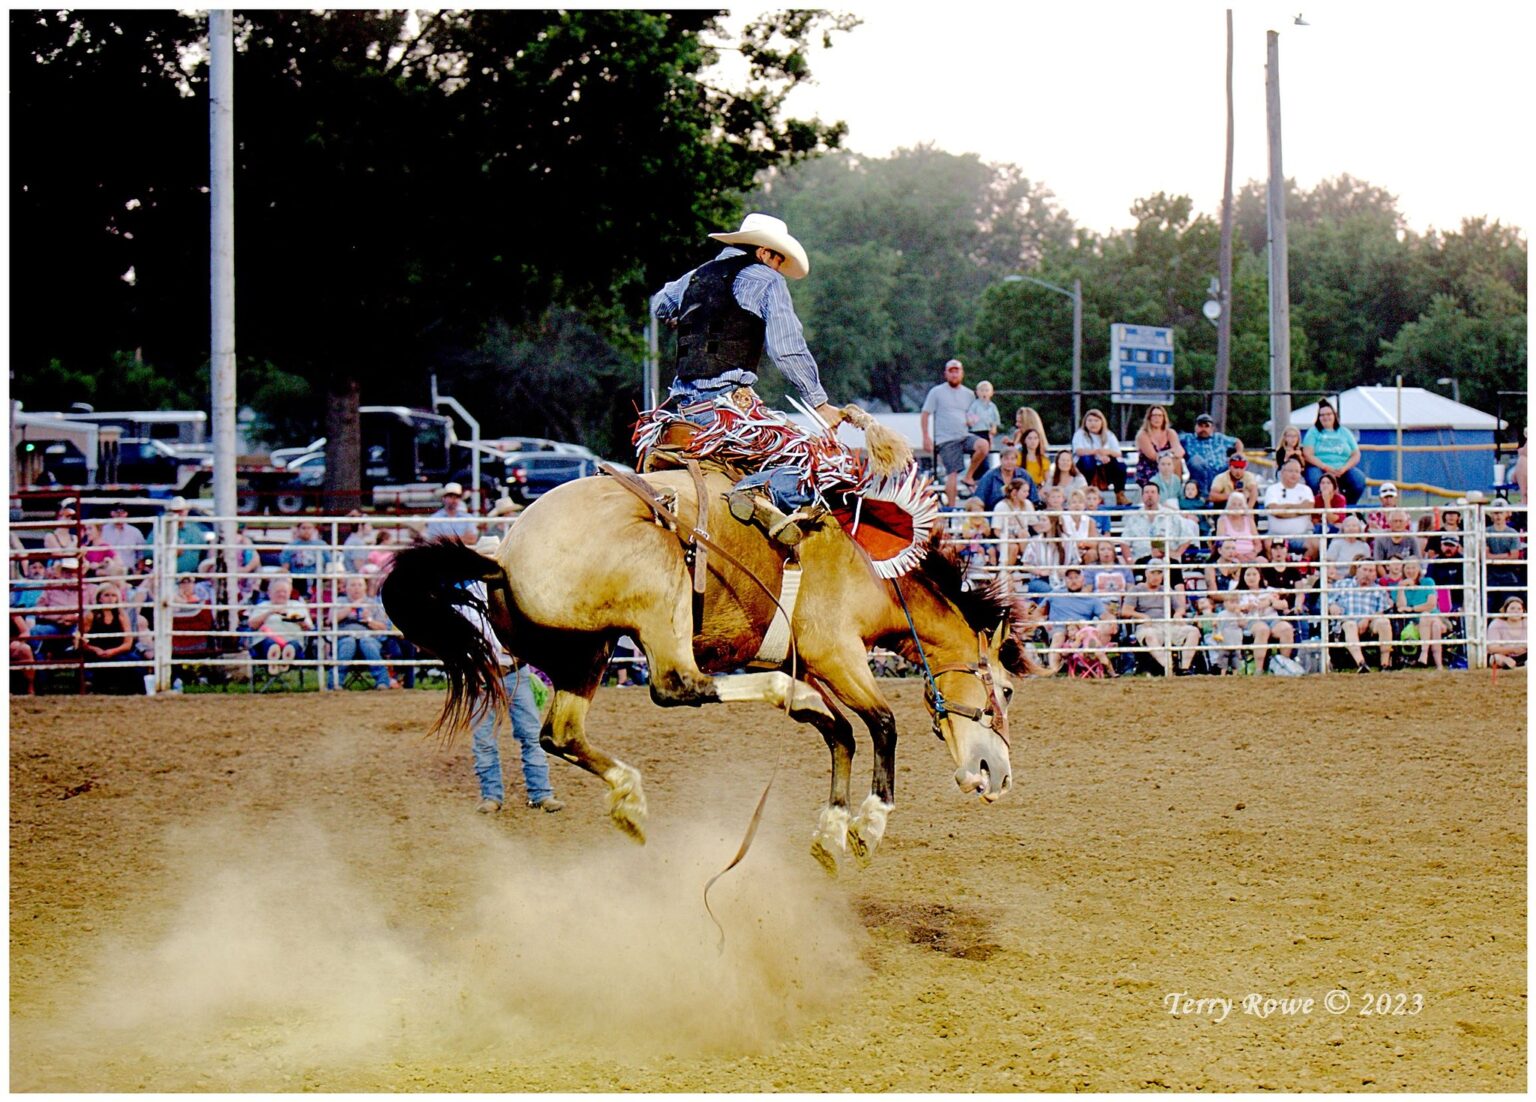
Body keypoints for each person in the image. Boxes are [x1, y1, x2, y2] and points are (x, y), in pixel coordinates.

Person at [639, 212, 856, 544]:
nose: (778, 269)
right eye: (778, 260)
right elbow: (787, 349)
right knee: (823, 464)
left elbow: (660, 304)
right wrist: (820, 404)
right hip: (723, 414)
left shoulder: (696, 276)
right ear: (765, 252)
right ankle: (756, 491)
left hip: (679, 411)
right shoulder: (767, 280)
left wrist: (684, 317)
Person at [457, 550, 564, 813]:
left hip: (514, 672)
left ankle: (539, 794)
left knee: (530, 735)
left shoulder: (515, 593)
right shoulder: (466, 599)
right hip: (486, 675)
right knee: (486, 740)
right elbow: (458, 640)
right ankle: (496, 796)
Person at [921, 359, 987, 506]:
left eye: (957, 371)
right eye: (951, 371)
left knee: (983, 445)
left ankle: (969, 476)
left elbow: (974, 415)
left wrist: (975, 420)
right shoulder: (936, 392)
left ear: (962, 373)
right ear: (946, 374)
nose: (954, 374)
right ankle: (951, 509)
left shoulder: (969, 394)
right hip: (946, 439)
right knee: (952, 473)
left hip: (964, 435)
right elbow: (925, 414)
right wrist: (926, 437)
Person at [1120, 559, 1198, 674]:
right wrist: (1142, 616)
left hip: (1167, 624)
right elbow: (1125, 611)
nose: (1156, 576)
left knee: (1193, 631)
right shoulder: (1136, 590)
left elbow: (1180, 607)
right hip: (1148, 626)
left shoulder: (1166, 590)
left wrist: (1177, 614)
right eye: (1153, 573)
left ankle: (1184, 668)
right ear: (1146, 573)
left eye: (1159, 573)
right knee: (1150, 635)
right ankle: (1169, 667)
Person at [329, 574, 397, 689]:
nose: (356, 588)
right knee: (348, 643)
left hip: (369, 638)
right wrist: (351, 607)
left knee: (367, 643)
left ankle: (382, 682)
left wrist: (369, 620)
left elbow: (383, 627)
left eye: (359, 585)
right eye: (353, 585)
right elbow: (331, 620)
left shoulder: (373, 603)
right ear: (346, 588)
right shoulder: (339, 601)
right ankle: (335, 683)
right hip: (344, 638)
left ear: (365, 587)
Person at [1038, 566, 1108, 675]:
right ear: (1065, 580)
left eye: (1076, 577)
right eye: (1070, 578)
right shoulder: (1054, 595)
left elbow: (1105, 616)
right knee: (1059, 635)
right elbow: (1038, 612)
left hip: (1081, 630)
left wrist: (1109, 622)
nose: (1073, 581)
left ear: (1083, 579)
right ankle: (1053, 670)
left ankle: (1095, 662)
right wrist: (1042, 621)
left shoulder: (1091, 599)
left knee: (1091, 632)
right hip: (1059, 628)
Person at [77, 578, 142, 693]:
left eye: (113, 595)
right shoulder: (91, 615)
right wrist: (96, 650)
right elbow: (81, 640)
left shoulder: (121, 615)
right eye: (106, 595)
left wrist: (113, 651)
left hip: (117, 650)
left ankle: (133, 692)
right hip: (95, 652)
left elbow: (128, 643)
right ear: (99, 598)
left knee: (132, 660)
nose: (110, 599)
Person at [1329, 560, 1395, 671]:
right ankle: (1361, 663)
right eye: (1364, 570)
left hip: (1370, 623)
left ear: (1375, 574)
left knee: (1384, 622)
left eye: (1371, 571)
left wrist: (1367, 619)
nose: (1367, 573)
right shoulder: (1342, 584)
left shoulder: (1379, 590)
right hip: (1347, 623)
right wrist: (1333, 606)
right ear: (1357, 570)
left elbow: (1381, 611)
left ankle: (1385, 664)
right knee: (1350, 625)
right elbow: (1329, 602)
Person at [1301, 398, 1366, 503]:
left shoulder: (1344, 431)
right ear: (1318, 417)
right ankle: (1320, 506)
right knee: (1314, 481)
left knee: (1359, 480)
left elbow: (1356, 454)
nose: (1325, 417)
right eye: (1322, 415)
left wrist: (1344, 468)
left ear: (1334, 415)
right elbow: (1308, 454)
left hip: (1342, 468)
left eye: (1328, 414)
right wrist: (1325, 467)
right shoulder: (1313, 432)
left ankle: (1346, 506)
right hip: (1320, 467)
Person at [1396, 558, 1448, 669]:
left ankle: (1424, 654)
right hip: (1415, 623)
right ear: (1403, 570)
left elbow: (1431, 604)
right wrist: (1401, 589)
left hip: (1434, 616)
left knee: (1427, 617)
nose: (1411, 571)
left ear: (1419, 569)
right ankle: (1439, 665)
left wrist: (1412, 608)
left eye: (1414, 567)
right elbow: (1401, 607)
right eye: (1408, 568)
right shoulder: (1400, 585)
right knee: (1434, 626)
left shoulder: (1428, 582)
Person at [1120, 482, 1190, 564]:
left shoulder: (1170, 515)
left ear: (1158, 496)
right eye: (1146, 492)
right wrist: (1130, 562)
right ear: (1142, 496)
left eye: (1153, 492)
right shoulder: (1133, 518)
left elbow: (1188, 535)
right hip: (1142, 562)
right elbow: (1124, 542)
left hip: (1167, 561)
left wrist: (1177, 554)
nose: (1150, 495)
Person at [1178, 413, 1243, 499]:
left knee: (1239, 462)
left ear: (1212, 428)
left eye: (1206, 426)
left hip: (1221, 471)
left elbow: (1237, 442)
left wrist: (1239, 453)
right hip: (1201, 473)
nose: (1203, 428)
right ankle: (1204, 496)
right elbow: (1171, 438)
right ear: (1195, 427)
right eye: (1200, 425)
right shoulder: (1187, 438)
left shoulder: (1219, 438)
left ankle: (1238, 493)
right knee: (1196, 460)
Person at [1072, 408, 1128, 505]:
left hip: (1104, 467)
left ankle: (1120, 494)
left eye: (1096, 420)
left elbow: (1118, 453)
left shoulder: (1109, 435)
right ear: (1085, 422)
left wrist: (1107, 453)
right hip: (1085, 467)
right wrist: (1097, 452)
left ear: (1102, 422)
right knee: (1087, 460)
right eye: (1090, 421)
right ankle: (1089, 493)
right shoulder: (1080, 434)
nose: (1093, 423)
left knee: (1120, 465)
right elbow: (1078, 451)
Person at [1482, 499, 1526, 612]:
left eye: (1501, 512)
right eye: (1495, 512)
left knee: (1510, 603)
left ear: (1507, 513)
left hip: (1509, 574)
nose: (1498, 516)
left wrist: (1492, 557)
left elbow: (1514, 556)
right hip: (1490, 575)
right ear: (1491, 514)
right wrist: (1506, 555)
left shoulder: (1512, 533)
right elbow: (1485, 555)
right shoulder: (1485, 532)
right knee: (1487, 605)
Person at [1263, 457, 1316, 540]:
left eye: (1297, 471)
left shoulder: (1306, 489)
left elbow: (1308, 508)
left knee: (1315, 544)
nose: (1294, 474)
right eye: (1291, 471)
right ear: (1282, 472)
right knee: (1268, 543)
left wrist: (1286, 508)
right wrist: (1299, 509)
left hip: (1302, 535)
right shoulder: (1272, 489)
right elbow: (1275, 511)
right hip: (1276, 536)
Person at [1133, 405, 1185, 487]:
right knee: (1168, 463)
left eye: (1160, 415)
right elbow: (1154, 456)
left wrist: (1171, 453)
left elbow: (1180, 451)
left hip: (1168, 466)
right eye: (1154, 415)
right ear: (1149, 418)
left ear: (1164, 418)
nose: (1157, 418)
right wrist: (1171, 452)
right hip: (1150, 468)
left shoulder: (1170, 433)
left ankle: (1176, 487)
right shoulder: (1143, 435)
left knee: (1177, 461)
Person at [965, 379, 1003, 484]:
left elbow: (995, 418)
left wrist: (994, 427)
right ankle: (976, 475)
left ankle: (984, 475)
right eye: (982, 390)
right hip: (976, 432)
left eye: (987, 390)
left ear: (991, 393)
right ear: (977, 392)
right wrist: (971, 421)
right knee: (977, 453)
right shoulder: (975, 405)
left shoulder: (992, 406)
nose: (984, 393)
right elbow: (970, 415)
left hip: (986, 432)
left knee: (986, 454)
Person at [165, 496, 214, 576]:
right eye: (175, 511)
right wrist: (169, 553)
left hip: (192, 576)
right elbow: (149, 554)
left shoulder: (194, 530)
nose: (178, 514)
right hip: (166, 576)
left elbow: (204, 552)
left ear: (186, 511)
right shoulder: (160, 530)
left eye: (180, 511)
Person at [974, 446, 1032, 510]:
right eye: (1006, 459)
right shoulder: (989, 476)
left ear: (1016, 460)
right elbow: (978, 499)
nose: (1009, 462)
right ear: (1000, 460)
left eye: (1012, 459)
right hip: (994, 513)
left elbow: (1033, 498)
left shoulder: (1024, 475)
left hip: (1020, 512)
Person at [96, 505, 148, 572]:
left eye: (122, 512)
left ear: (126, 513)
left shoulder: (135, 532)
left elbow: (141, 555)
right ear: (112, 513)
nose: (119, 515)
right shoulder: (103, 531)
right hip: (107, 571)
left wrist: (138, 573)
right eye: (117, 512)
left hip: (128, 571)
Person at [1215, 491, 1262, 564]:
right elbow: (1221, 543)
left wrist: (1253, 553)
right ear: (1229, 506)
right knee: (1235, 563)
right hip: (1231, 556)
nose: (1236, 508)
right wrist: (1239, 556)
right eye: (1234, 504)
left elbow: (1258, 544)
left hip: (1250, 556)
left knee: (1262, 560)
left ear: (1243, 507)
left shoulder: (1249, 520)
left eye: (1240, 505)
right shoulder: (1222, 521)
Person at [1486, 596, 1527, 668]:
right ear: (1505, 610)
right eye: (1512, 608)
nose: (1516, 611)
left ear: (1523, 611)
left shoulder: (1528, 622)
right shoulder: (1496, 624)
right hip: (1504, 655)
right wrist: (1513, 650)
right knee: (1496, 658)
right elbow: (1492, 648)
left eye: (1519, 609)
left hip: (1525, 655)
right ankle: (1508, 665)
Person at [1016, 425, 1051, 494]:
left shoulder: (1044, 460)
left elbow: (1048, 481)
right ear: (1024, 440)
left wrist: (1041, 492)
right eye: (1030, 438)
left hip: (1038, 489)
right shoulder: (1018, 457)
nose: (1033, 441)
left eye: (1035, 438)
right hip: (1021, 489)